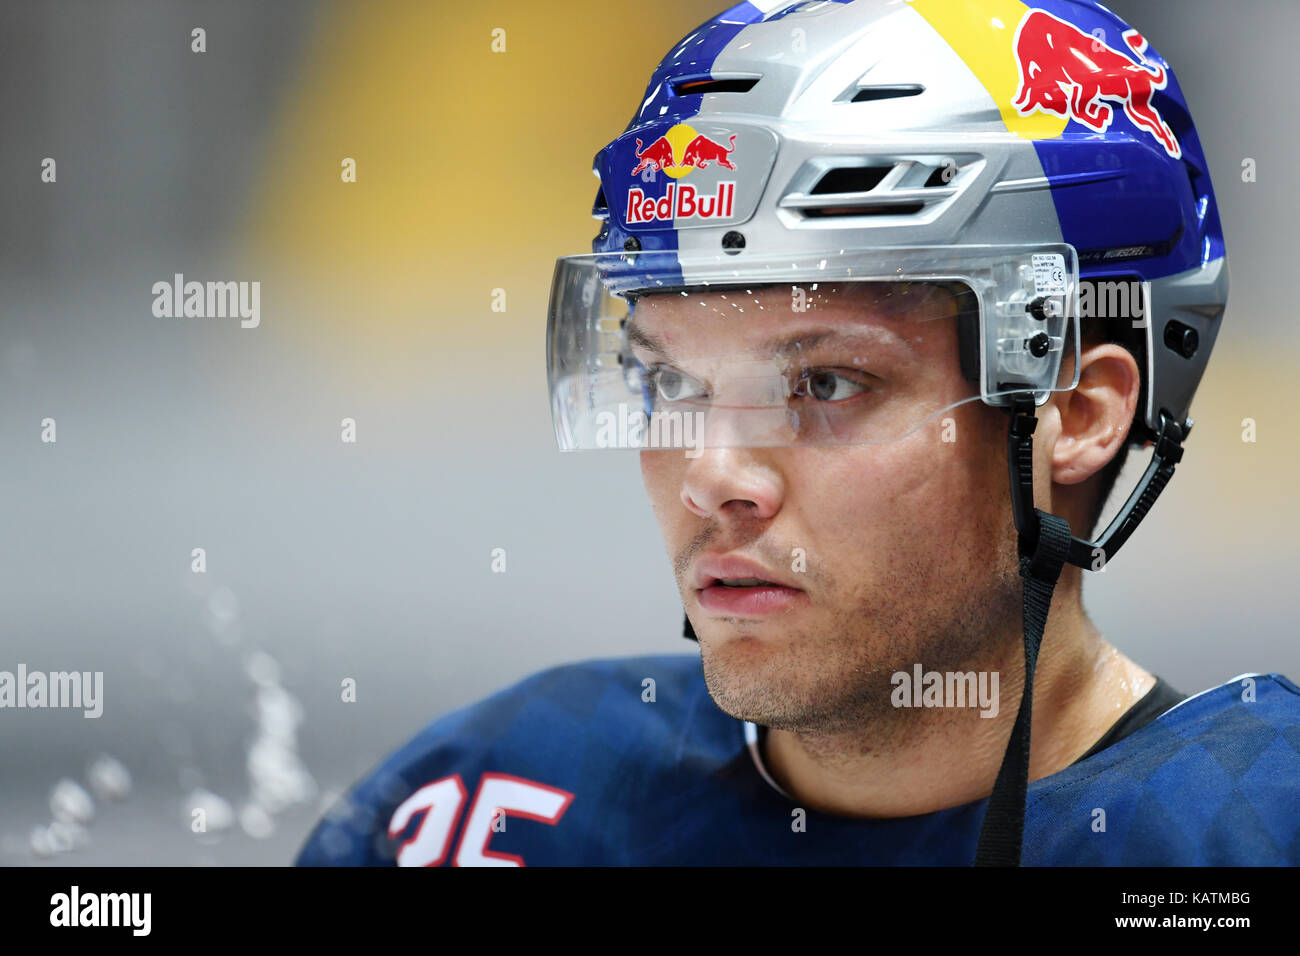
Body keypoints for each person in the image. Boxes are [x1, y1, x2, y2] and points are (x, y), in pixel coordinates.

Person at [296, 0, 1299, 866]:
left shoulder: (1249, 828)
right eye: (670, 379)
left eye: (825, 380)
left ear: (1075, 415)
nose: (714, 478)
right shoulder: (498, 802)